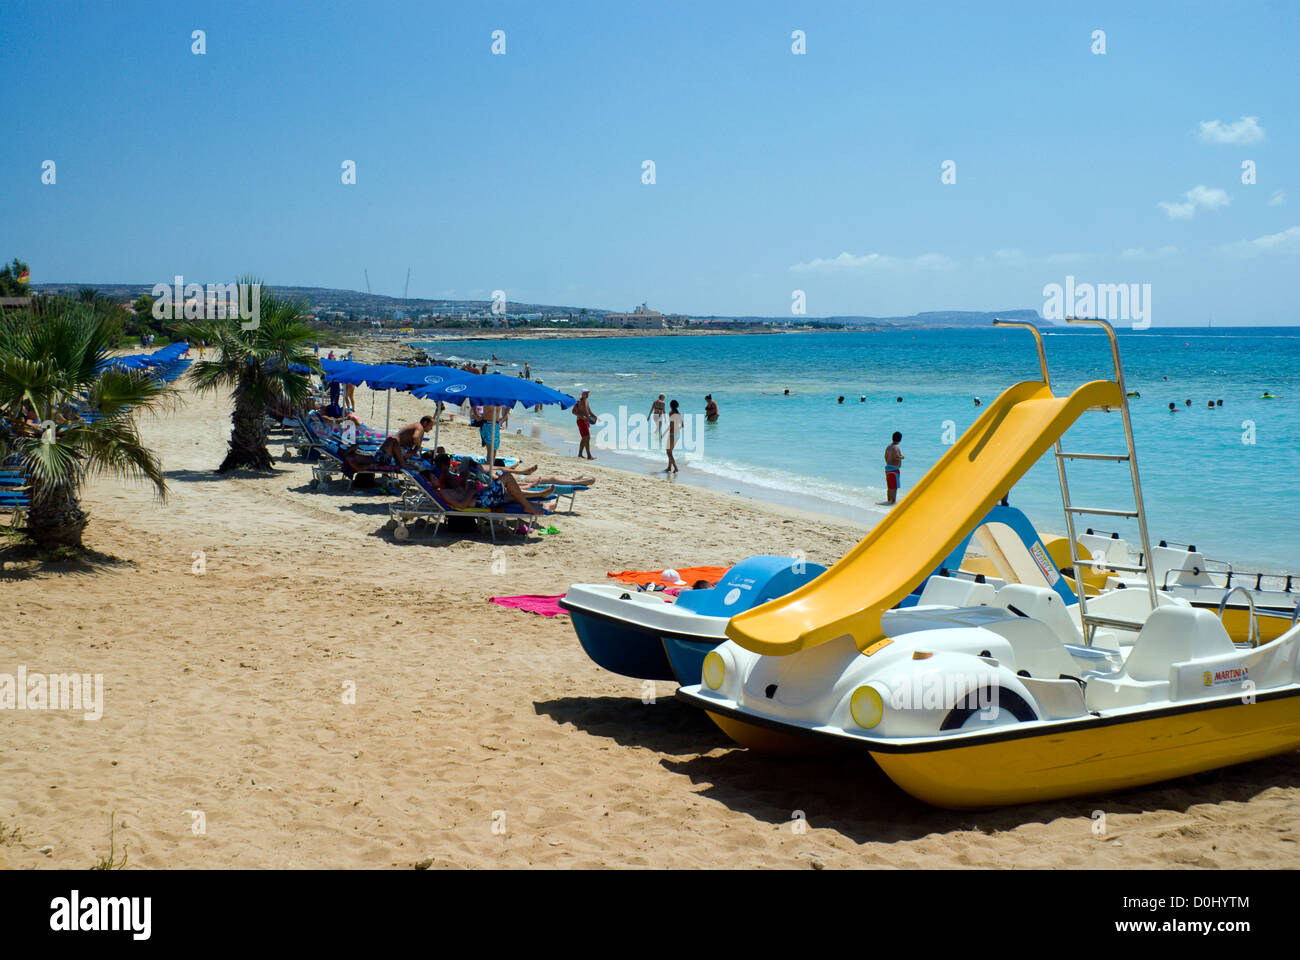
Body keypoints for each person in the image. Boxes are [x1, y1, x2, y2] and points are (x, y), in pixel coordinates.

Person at [573, 390, 596, 460]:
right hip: (580, 421)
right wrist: (581, 416)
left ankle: (580, 454)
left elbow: (588, 410)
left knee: (584, 438)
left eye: (588, 393)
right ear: (583, 394)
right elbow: (573, 412)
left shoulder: (586, 401)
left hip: (586, 421)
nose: (587, 394)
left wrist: (594, 416)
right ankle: (589, 455)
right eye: (586, 393)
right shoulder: (578, 401)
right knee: (587, 437)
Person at [884, 431, 904, 505]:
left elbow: (885, 456)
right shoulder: (896, 447)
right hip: (894, 469)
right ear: (900, 439)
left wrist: (888, 463)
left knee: (889, 486)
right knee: (894, 487)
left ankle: (889, 500)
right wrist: (901, 457)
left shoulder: (888, 447)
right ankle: (892, 502)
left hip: (888, 468)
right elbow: (896, 456)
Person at [666, 399, 683, 474]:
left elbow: (671, 424)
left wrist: (664, 433)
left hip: (672, 434)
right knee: (670, 451)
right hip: (677, 434)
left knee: (668, 452)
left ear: (670, 405)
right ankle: (669, 467)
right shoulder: (679, 413)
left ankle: (676, 468)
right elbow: (682, 425)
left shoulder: (671, 413)